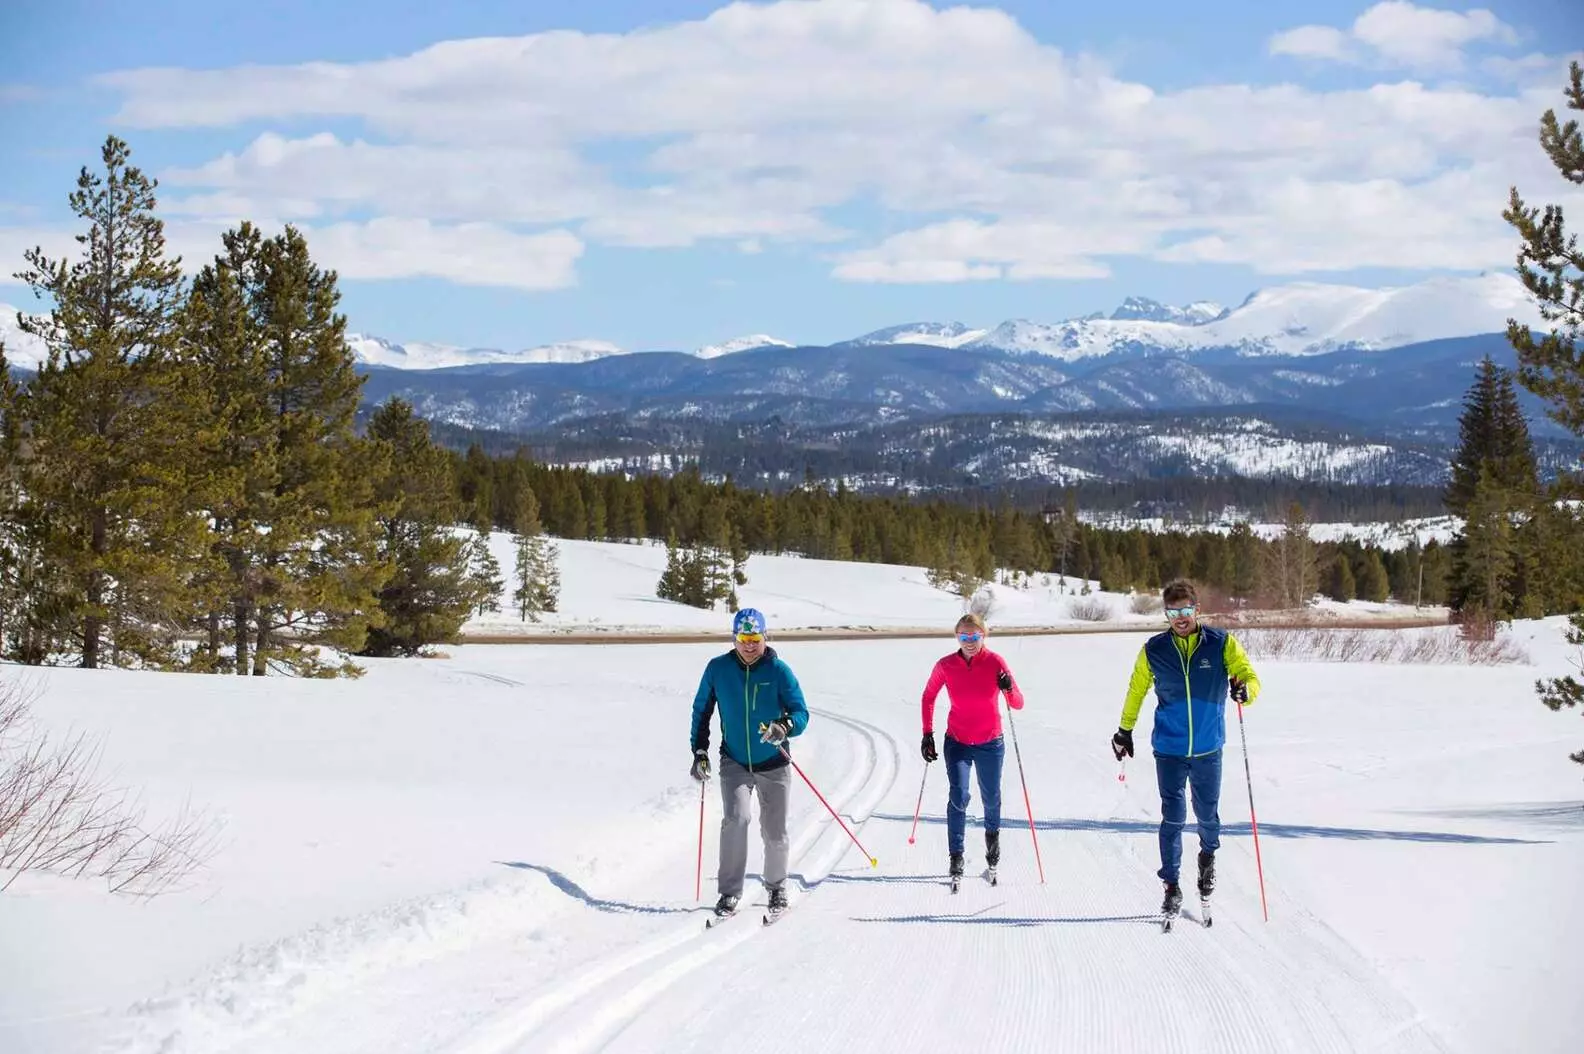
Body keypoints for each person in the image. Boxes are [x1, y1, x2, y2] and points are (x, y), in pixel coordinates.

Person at [1111, 578, 1261, 917]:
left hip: (1209, 749)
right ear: (1166, 614)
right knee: (1173, 817)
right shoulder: (1153, 650)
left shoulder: (1221, 644)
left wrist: (1245, 692)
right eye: (1174, 611)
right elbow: (1136, 691)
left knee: (1208, 816)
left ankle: (1207, 858)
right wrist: (1124, 730)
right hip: (1170, 749)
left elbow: (1249, 676)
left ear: (1197, 609)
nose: (1181, 617)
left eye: (1187, 610)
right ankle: (1172, 886)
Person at [689, 607, 810, 919]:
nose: (749, 645)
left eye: (755, 638)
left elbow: (801, 712)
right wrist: (699, 751)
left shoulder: (779, 671)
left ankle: (776, 887)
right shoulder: (717, 669)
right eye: (743, 638)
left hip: (774, 761)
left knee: (774, 829)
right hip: (734, 761)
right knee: (736, 820)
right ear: (734, 638)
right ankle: (729, 893)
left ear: (765, 637)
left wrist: (784, 726)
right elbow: (702, 710)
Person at [920, 612, 1024, 882]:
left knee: (991, 798)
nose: (969, 641)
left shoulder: (995, 662)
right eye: (963, 636)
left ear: (983, 636)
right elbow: (929, 695)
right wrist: (927, 734)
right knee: (959, 796)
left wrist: (1009, 687)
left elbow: (1018, 703)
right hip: (957, 742)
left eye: (974, 636)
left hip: (991, 742)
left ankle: (992, 847)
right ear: (957, 636)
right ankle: (956, 857)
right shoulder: (945, 665)